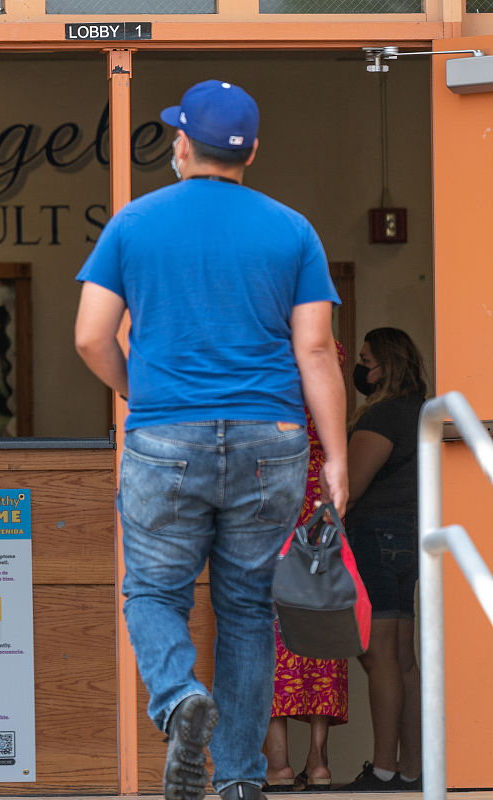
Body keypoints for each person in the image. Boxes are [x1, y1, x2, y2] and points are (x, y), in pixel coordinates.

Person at [73, 80, 347, 800]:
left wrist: (138, 389)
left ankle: (177, 698)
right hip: (273, 441)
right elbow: (316, 350)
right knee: (250, 609)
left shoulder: (133, 224)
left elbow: (89, 336)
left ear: (182, 146)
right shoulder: (293, 230)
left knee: (152, 593)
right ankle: (241, 780)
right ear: (251, 151)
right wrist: (338, 458)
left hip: (166, 435)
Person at [337, 327, 427, 792]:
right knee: (403, 658)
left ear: (386, 365)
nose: (360, 369)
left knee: (379, 657)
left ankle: (385, 769)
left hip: (376, 536)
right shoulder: (420, 413)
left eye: (367, 360)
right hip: (410, 538)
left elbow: (349, 487)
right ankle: (413, 770)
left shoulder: (384, 415)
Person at [263, 342, 350, 791]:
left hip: (270, 490)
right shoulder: (328, 351)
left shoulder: (263, 344)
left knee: (268, 625)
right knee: (321, 618)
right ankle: (318, 761)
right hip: (319, 494)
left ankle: (277, 763)